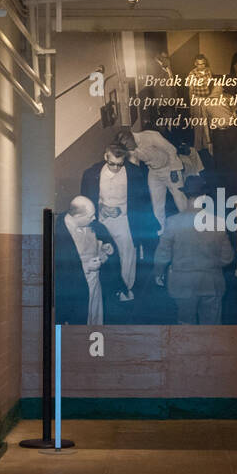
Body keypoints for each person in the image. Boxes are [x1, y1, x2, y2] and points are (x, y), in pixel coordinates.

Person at [81, 143, 157, 301]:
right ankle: (108, 287)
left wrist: (121, 210)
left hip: (125, 218)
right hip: (102, 219)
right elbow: (87, 200)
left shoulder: (134, 174)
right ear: (105, 157)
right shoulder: (91, 173)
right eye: (112, 164)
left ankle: (125, 288)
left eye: (120, 164)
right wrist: (101, 208)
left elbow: (141, 202)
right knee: (103, 253)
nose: (115, 168)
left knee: (127, 253)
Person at [153, 176, 233, 325]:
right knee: (212, 326)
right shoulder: (218, 222)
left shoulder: (173, 222)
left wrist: (158, 272)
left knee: (185, 324)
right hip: (211, 282)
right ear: (204, 197)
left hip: (182, 283)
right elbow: (227, 258)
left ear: (185, 195)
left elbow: (162, 254)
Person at [54, 196, 117, 326]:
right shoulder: (59, 232)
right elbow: (60, 270)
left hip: (95, 284)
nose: (94, 218)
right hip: (76, 288)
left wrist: (106, 249)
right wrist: (87, 267)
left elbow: (100, 247)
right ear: (77, 216)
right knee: (78, 322)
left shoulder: (92, 225)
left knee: (94, 320)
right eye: (91, 216)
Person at [115, 127, 187, 235]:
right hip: (153, 171)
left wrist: (174, 169)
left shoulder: (150, 136)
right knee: (156, 202)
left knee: (179, 198)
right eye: (124, 147)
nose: (128, 149)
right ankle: (160, 229)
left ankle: (189, 226)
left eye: (127, 145)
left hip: (169, 168)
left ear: (130, 137)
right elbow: (134, 164)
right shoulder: (129, 149)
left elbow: (171, 149)